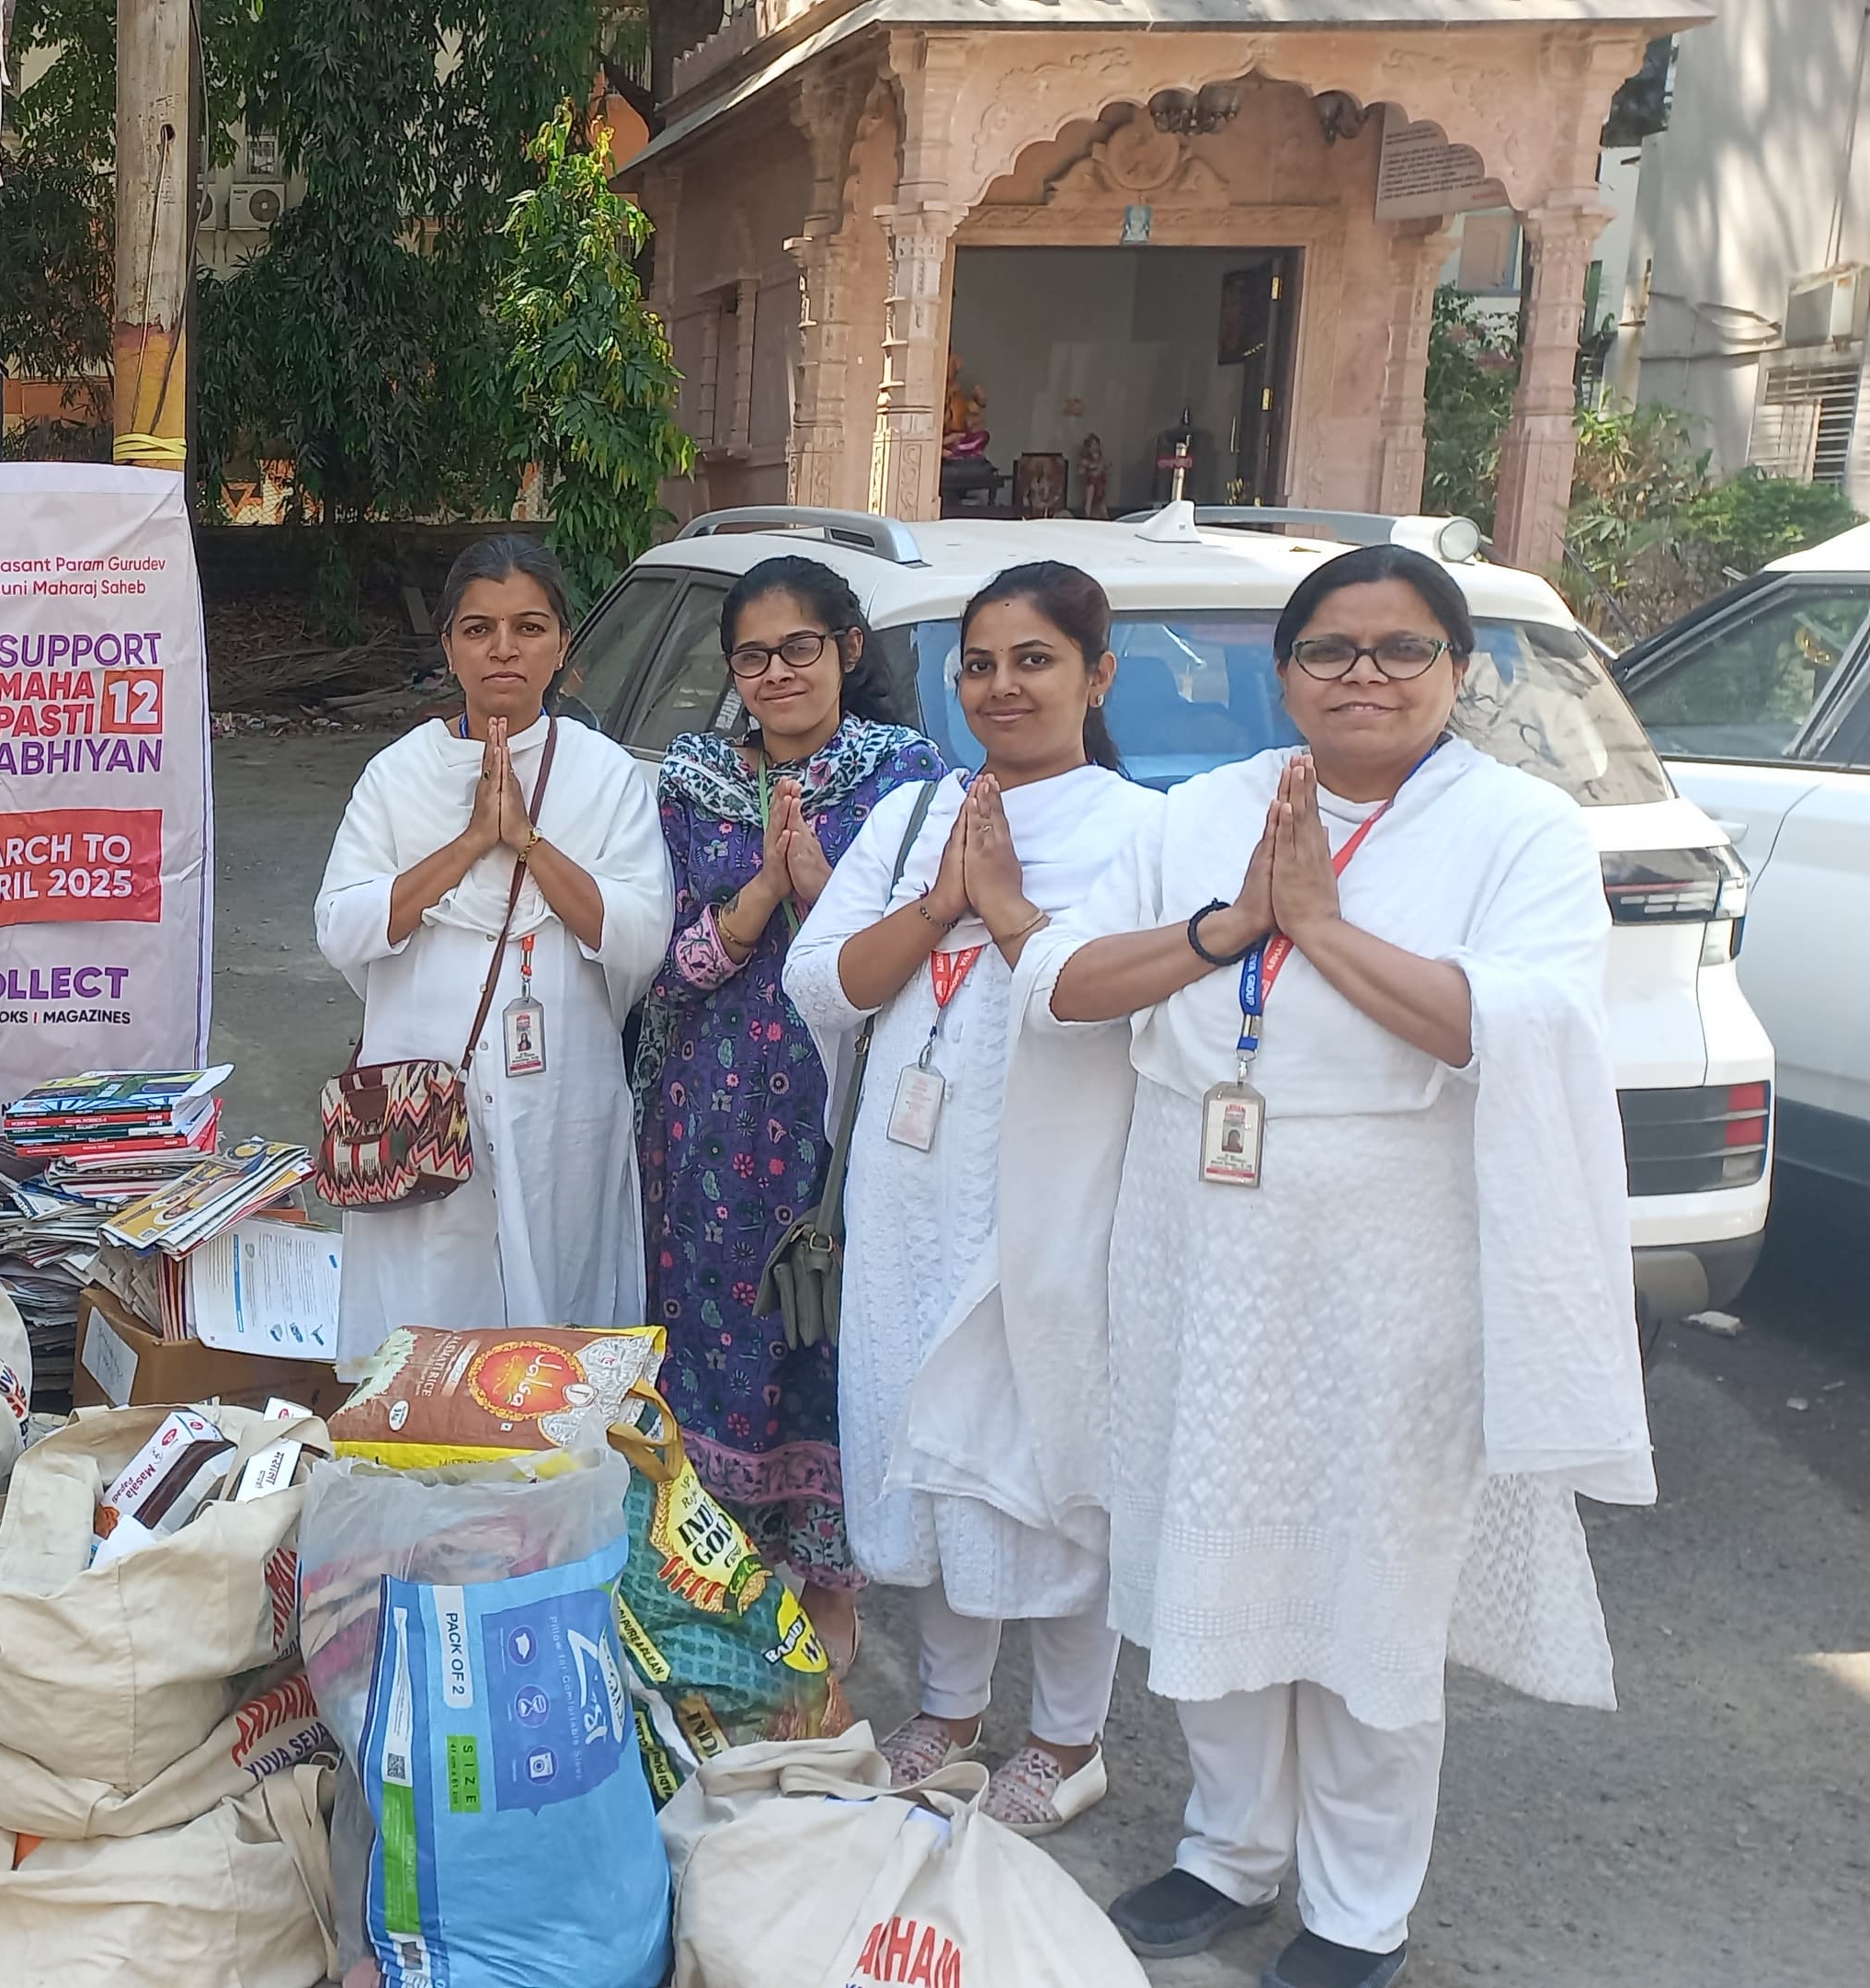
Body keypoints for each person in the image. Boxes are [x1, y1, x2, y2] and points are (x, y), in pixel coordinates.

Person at [1033, 545, 1651, 1988]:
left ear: (1458, 670)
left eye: (1401, 649)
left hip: (1395, 1250)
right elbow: (1057, 982)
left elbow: (1514, 1026)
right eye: (1332, 649)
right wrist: (1227, 928)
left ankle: (1359, 1908)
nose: (1365, 675)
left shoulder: (1520, 827)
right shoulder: (1201, 812)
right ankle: (1228, 1851)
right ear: (1285, 671)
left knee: (1371, 1581)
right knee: (1210, 1550)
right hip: (1199, 1233)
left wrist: (1318, 925)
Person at [781, 562, 1159, 1830]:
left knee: (1054, 1464)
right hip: (909, 1191)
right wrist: (940, 897)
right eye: (982, 663)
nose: (1004, 685)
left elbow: (1115, 994)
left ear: (1098, 676)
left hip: (1052, 1194)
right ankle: (946, 1709)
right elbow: (821, 982)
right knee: (935, 1453)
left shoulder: (1138, 831)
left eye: (1036, 659)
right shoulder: (908, 817)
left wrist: (1002, 911)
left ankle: (1067, 1733)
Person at [630, 554, 947, 1674]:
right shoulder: (696, 782)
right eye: (752, 656)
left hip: (840, 1112)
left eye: (800, 647)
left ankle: (828, 1575)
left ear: (849, 650)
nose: (776, 673)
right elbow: (671, 972)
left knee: (829, 1333)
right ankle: (719, 1557)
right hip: (707, 1116)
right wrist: (766, 889)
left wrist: (818, 890)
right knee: (712, 1331)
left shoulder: (910, 786)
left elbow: (923, 958)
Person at [314, 535, 670, 1359]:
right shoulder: (397, 775)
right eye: (478, 629)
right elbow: (340, 925)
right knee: (428, 1306)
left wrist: (529, 843)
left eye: (528, 627)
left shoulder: (606, 774)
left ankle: (547, 1484)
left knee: (555, 1305)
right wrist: (472, 844)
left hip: (562, 1093)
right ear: (448, 647)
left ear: (562, 645)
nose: (503, 649)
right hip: (422, 1087)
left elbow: (641, 936)